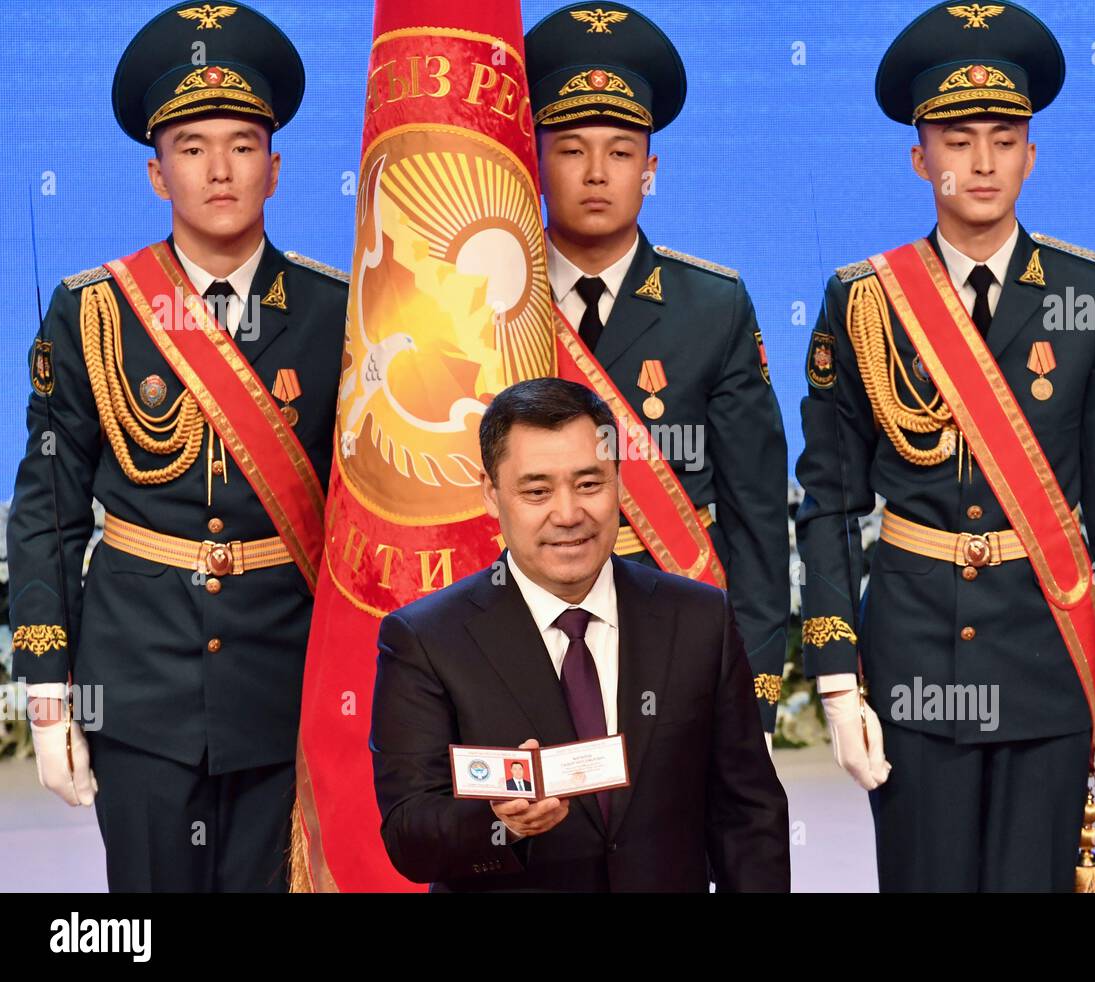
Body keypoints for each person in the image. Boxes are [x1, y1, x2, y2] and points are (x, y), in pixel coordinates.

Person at [795, 0, 1095, 891]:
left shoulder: (1091, 291)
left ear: (1032, 153)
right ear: (919, 155)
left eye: (1005, 136)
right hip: (914, 659)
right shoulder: (864, 300)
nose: (983, 161)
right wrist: (838, 678)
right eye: (957, 139)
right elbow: (830, 501)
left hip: (1045, 660)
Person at [8, 1, 348, 891]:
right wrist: (47, 695)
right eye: (192, 147)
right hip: (139, 693)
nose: (219, 170)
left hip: (287, 689)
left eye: (241, 145)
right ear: (158, 174)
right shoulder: (94, 312)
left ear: (275, 167)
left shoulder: (341, 313)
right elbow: (46, 511)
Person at [370, 378, 790, 892]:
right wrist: (502, 826)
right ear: (490, 493)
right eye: (537, 491)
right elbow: (409, 836)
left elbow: (749, 816)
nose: (568, 515)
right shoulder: (426, 639)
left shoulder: (699, 618)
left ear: (617, 481)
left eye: (589, 484)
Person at [524, 3, 791, 738]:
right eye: (572, 149)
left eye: (621, 150)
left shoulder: (713, 304)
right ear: (537, 159)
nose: (598, 173)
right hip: (518, 633)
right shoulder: (484, 300)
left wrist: (757, 680)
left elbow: (755, 512)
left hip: (671, 629)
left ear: (651, 167)